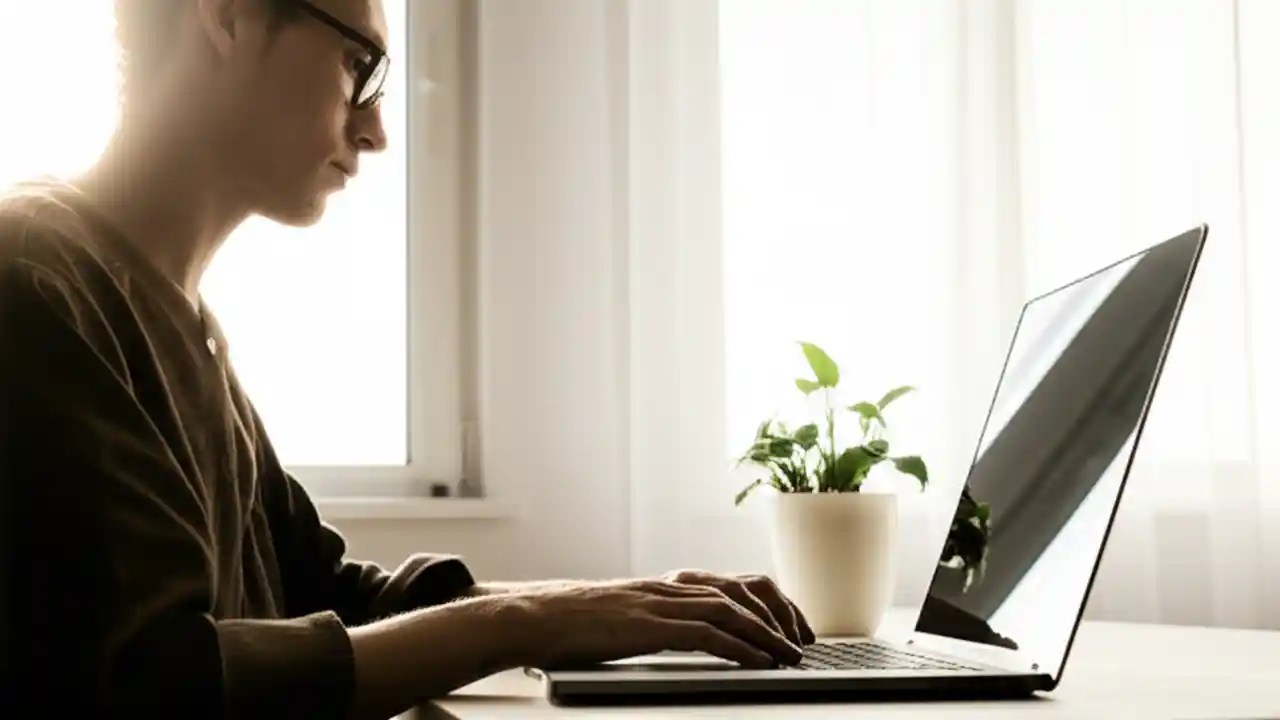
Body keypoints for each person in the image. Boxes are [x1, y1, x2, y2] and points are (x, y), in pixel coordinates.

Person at [0, 0, 813, 717]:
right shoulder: (36, 280)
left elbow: (326, 598)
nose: (376, 129)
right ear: (228, 14)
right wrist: (525, 623)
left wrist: (612, 607)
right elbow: (161, 682)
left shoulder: (177, 317)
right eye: (359, 63)